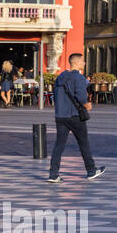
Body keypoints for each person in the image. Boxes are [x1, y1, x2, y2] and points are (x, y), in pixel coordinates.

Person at [47, 53, 106, 183]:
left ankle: (53, 174)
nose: (84, 63)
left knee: (59, 145)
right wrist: (86, 105)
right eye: (83, 61)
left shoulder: (60, 77)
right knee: (83, 143)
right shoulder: (78, 78)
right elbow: (80, 96)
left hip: (60, 115)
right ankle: (91, 170)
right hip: (74, 115)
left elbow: (55, 96)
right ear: (77, 62)